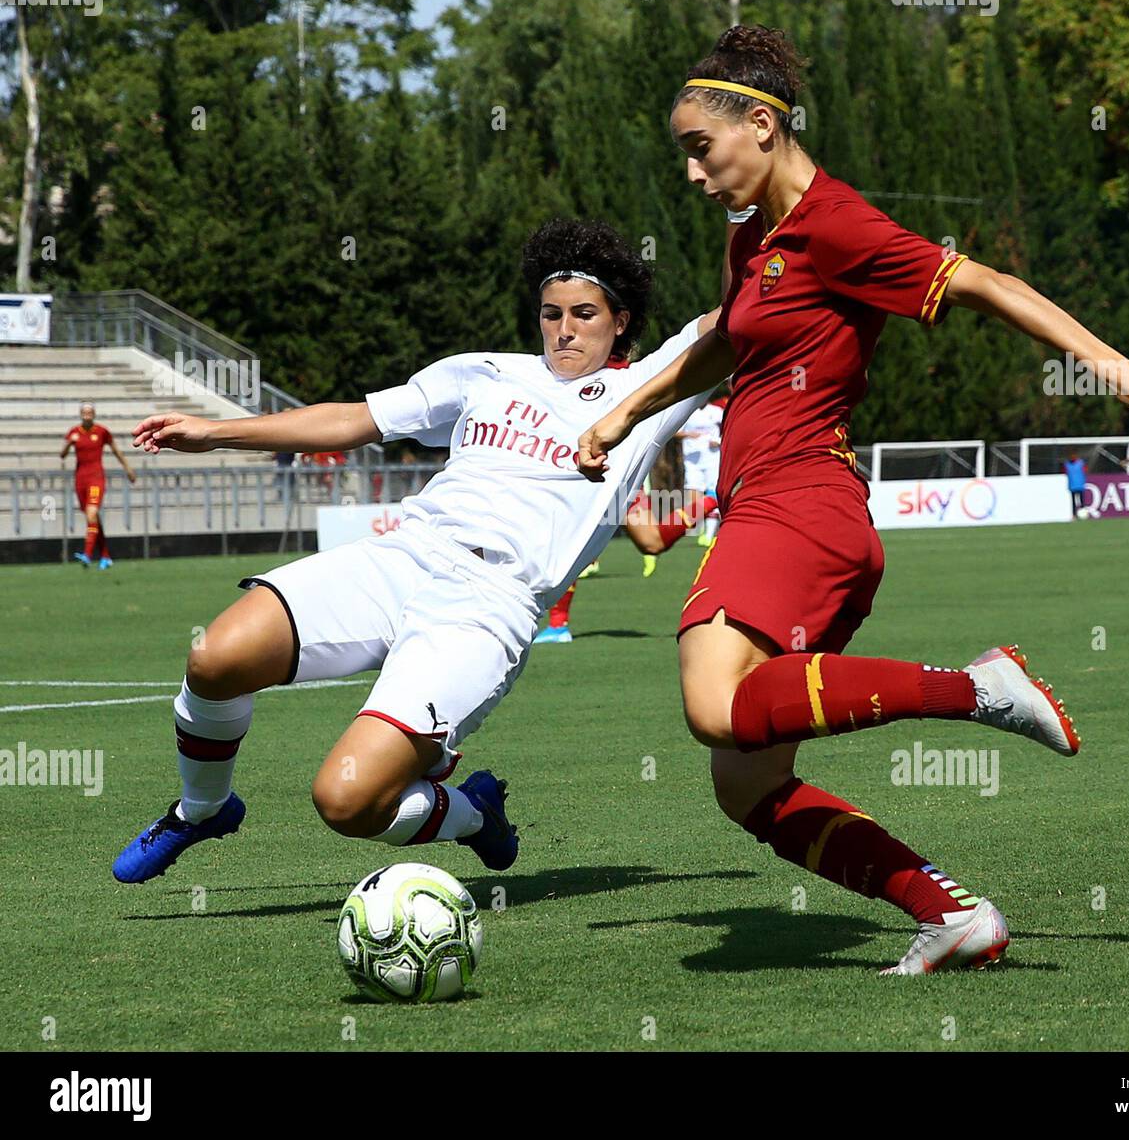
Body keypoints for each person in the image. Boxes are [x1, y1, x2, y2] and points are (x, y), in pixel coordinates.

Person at [578, 26, 1129, 975]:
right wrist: (628, 409)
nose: (694, 175)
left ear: (759, 123)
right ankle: (951, 916)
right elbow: (726, 339)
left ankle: (979, 687)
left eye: (697, 149)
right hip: (785, 513)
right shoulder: (751, 230)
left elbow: (984, 282)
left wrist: (1114, 370)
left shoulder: (837, 224)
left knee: (713, 706)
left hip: (799, 503)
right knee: (744, 784)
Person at [111, 219, 719, 884]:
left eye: (583, 314)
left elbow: (741, 312)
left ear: (620, 320)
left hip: (489, 606)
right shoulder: (485, 373)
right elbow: (355, 418)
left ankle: (473, 815)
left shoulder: (654, 389)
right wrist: (216, 433)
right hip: (405, 553)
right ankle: (203, 809)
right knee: (216, 657)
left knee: (346, 800)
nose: (564, 330)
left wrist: (750, 197)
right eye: (551, 314)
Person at [535, 486, 719, 642]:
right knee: (650, 541)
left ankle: (713, 500)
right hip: (596, 477)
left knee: (651, 541)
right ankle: (558, 626)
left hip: (613, 476)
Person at [60, 401, 136, 569]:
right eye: (84, 412)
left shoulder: (101, 432)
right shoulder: (74, 432)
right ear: (81, 414)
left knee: (92, 513)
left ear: (94, 414)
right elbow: (62, 455)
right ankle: (105, 556)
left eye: (90, 412)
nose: (87, 415)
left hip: (96, 479)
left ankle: (87, 554)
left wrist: (128, 468)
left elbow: (116, 450)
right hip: (80, 479)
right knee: (92, 517)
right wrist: (68, 443)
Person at [677, 391, 726, 546]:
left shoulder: (716, 412)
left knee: (713, 492)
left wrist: (718, 440)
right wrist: (688, 434)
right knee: (694, 496)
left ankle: (709, 534)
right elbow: (674, 433)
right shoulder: (687, 412)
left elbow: (729, 429)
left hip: (712, 458)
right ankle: (701, 528)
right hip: (692, 460)